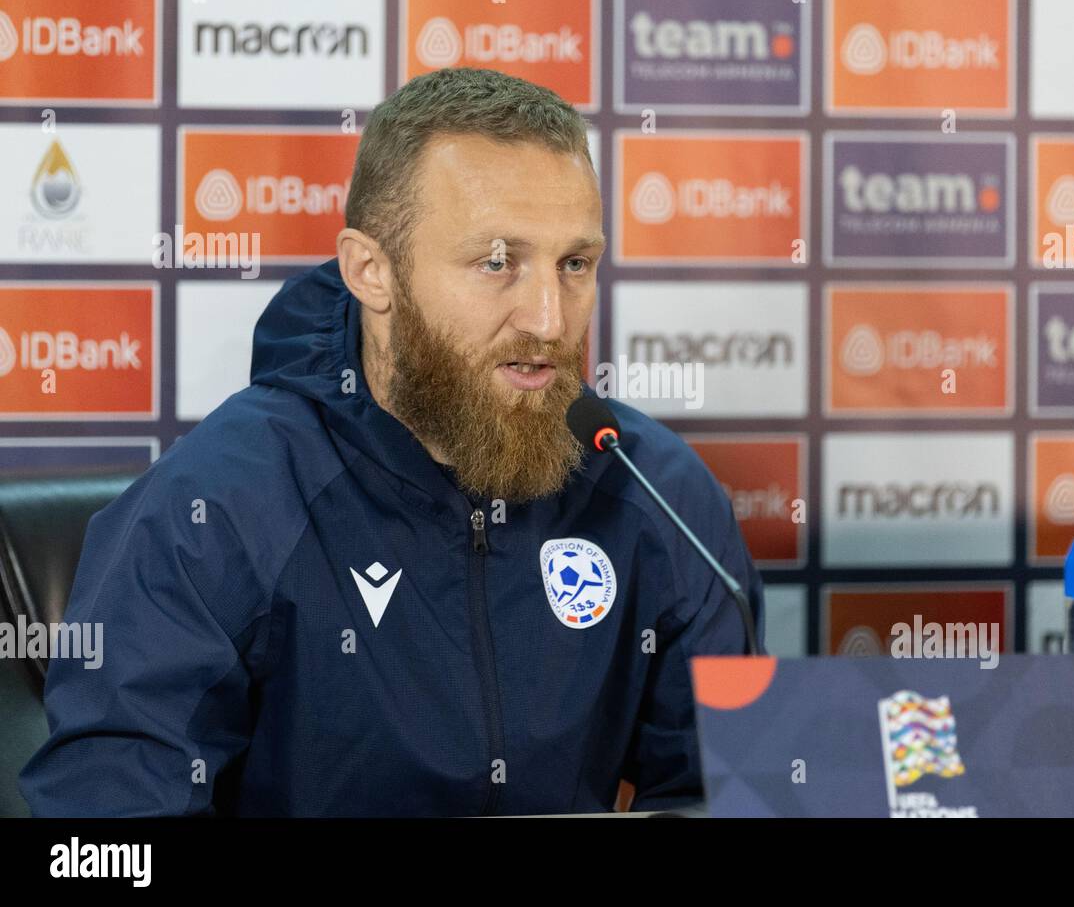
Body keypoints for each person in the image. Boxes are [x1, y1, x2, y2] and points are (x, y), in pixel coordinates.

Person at [20, 67, 764, 816]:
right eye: (497, 263)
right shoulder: (215, 508)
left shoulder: (655, 490)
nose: (548, 318)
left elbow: (741, 799)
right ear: (371, 272)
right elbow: (100, 841)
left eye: (575, 263)